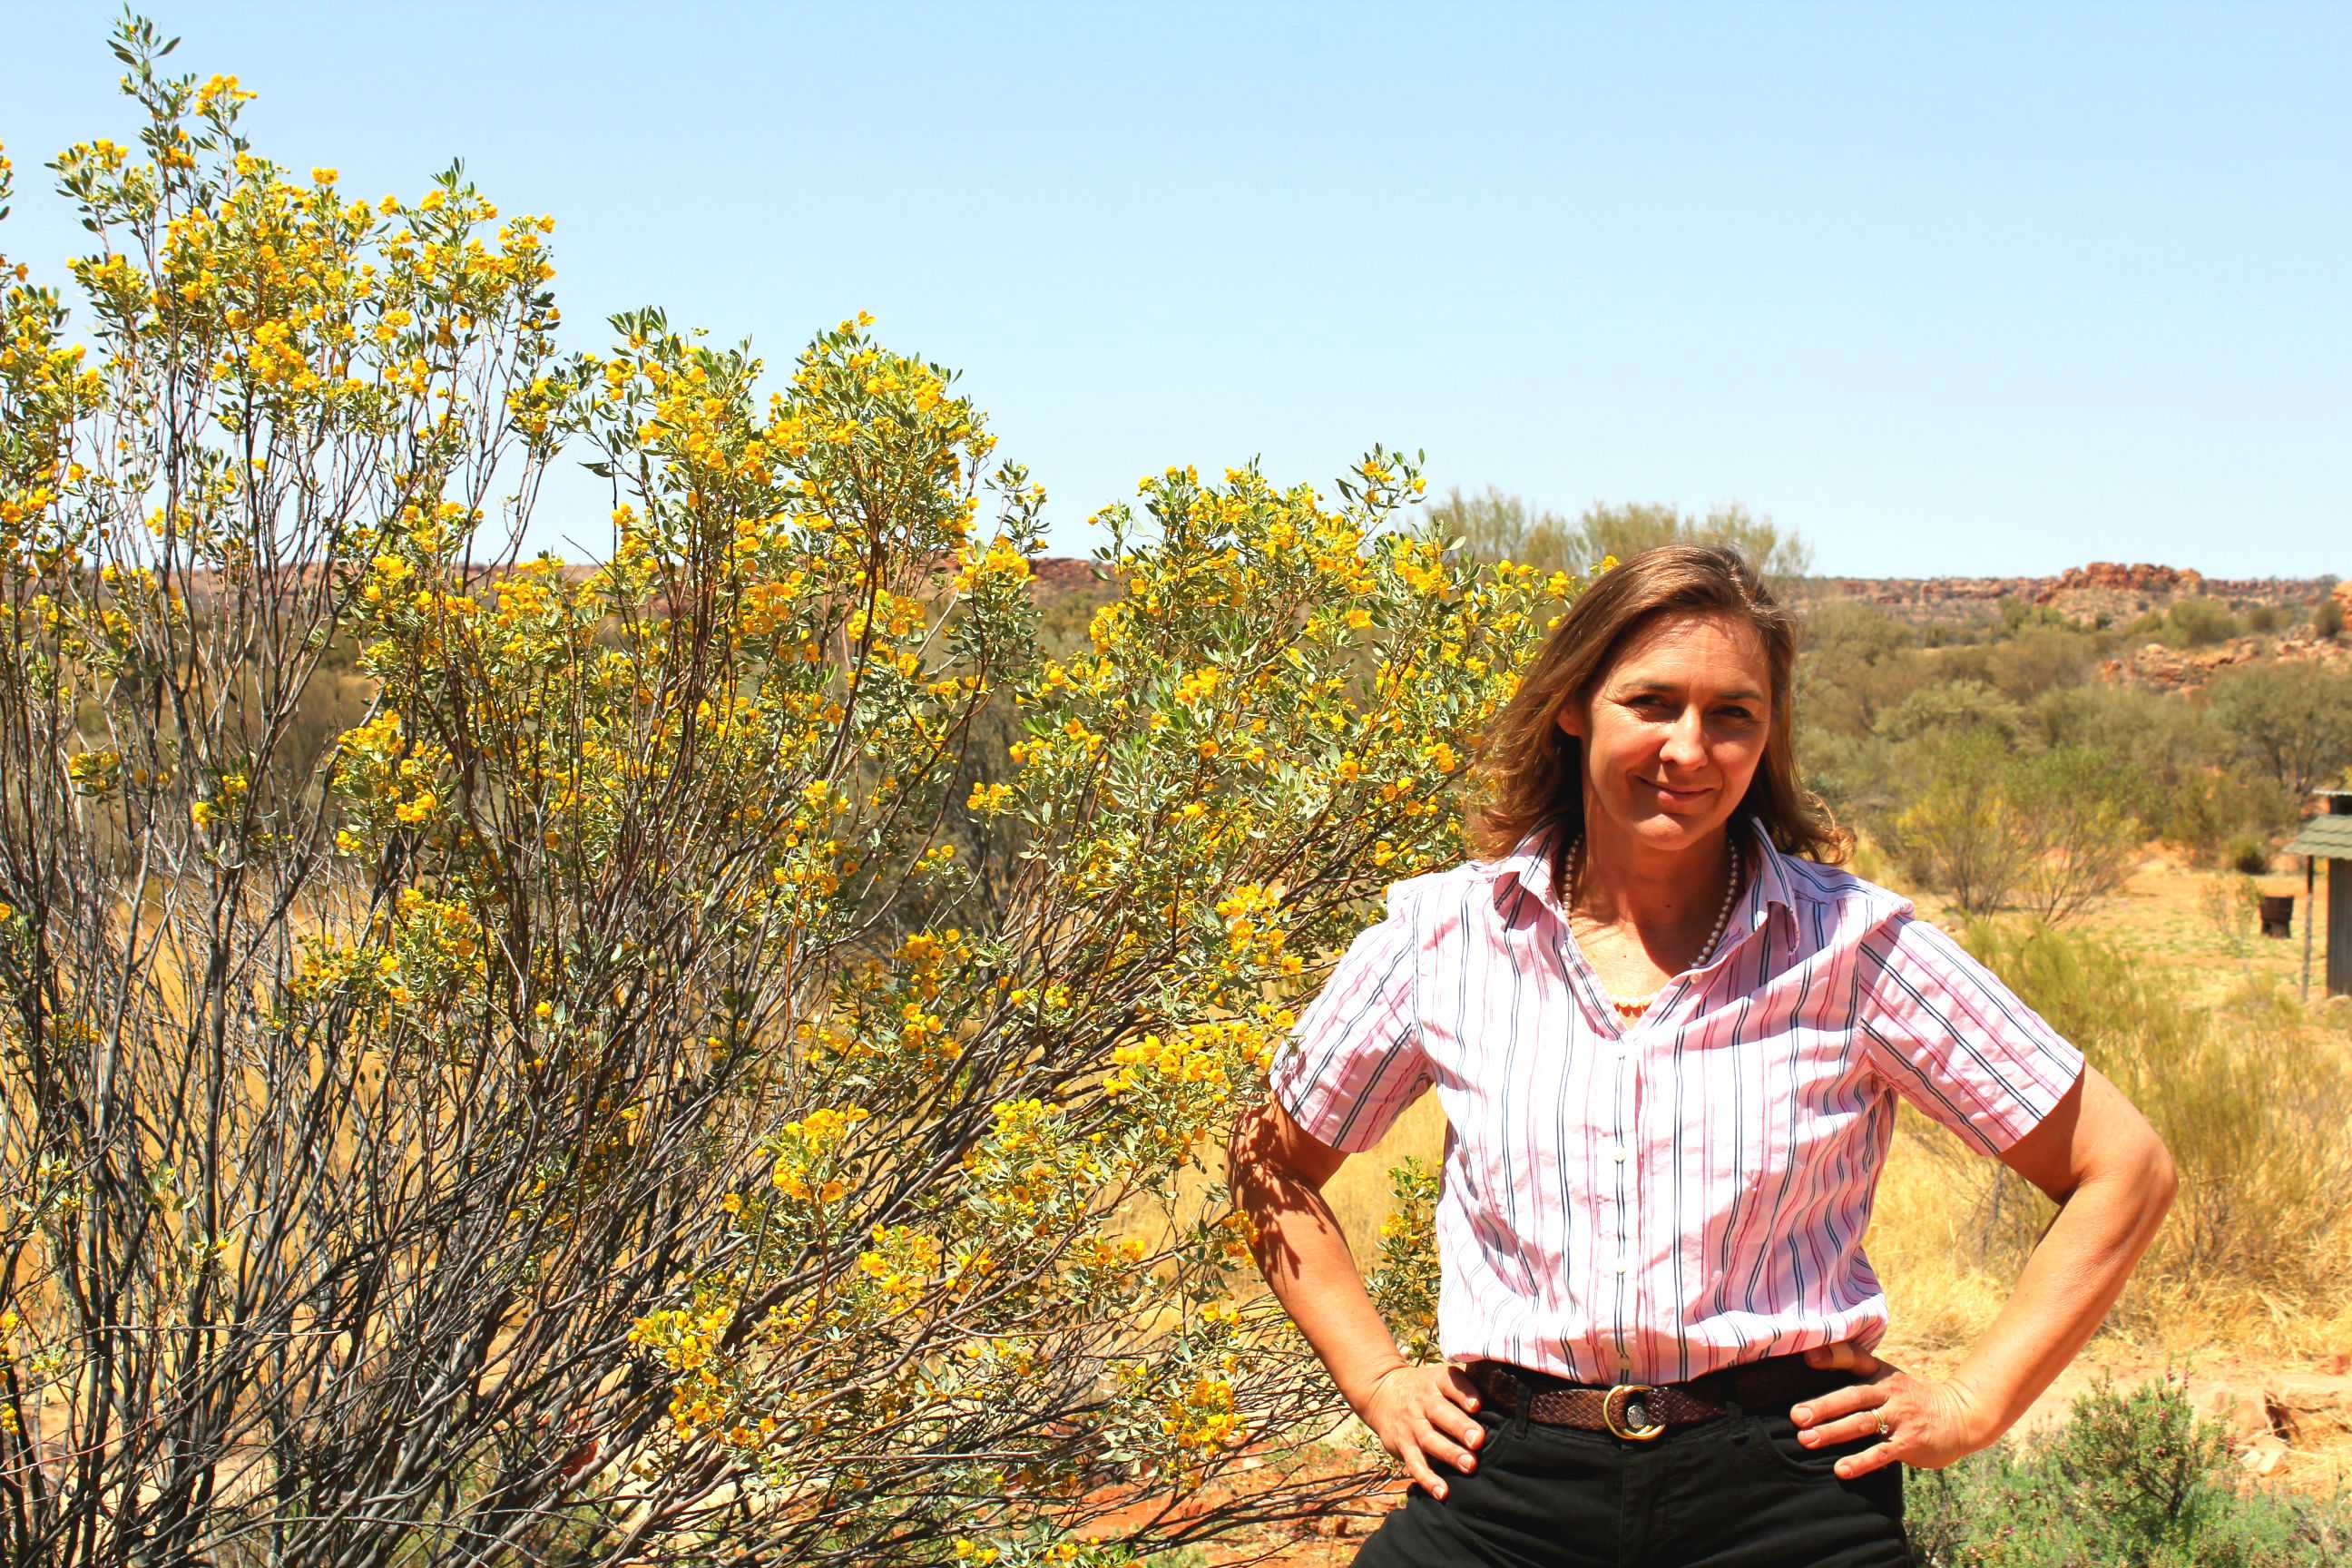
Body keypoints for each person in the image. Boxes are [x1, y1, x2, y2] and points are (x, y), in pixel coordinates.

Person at [1226, 545, 2178, 1567]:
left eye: (1734, 714)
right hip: (1506, 1487)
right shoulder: (1446, 936)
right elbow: (1268, 1161)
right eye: (1652, 702)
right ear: (1574, 706)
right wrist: (1378, 1382)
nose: (1691, 747)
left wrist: (1973, 1404)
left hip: (1785, 1493)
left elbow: (2124, 1167)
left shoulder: (1853, 946)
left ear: (1768, 739)